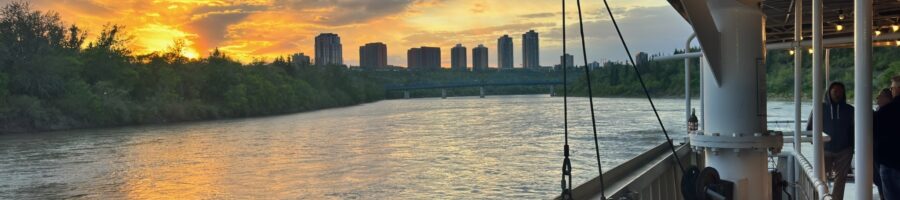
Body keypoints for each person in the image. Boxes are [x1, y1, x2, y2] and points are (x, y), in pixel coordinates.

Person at [806, 81, 854, 200]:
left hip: (845, 150)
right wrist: (816, 144)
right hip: (824, 149)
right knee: (821, 177)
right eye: (835, 91)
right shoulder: (819, 108)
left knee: (841, 178)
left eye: (840, 91)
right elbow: (809, 129)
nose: (838, 94)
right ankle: (823, 197)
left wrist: (852, 145)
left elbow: (854, 129)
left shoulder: (850, 110)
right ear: (829, 92)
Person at [876, 76, 900, 200]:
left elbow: (875, 134)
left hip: (889, 162)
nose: (891, 90)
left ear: (897, 89)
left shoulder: (885, 111)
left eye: (892, 88)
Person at [876, 88, 892, 200]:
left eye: (880, 96)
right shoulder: (879, 111)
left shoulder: (884, 113)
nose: (877, 99)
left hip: (886, 159)